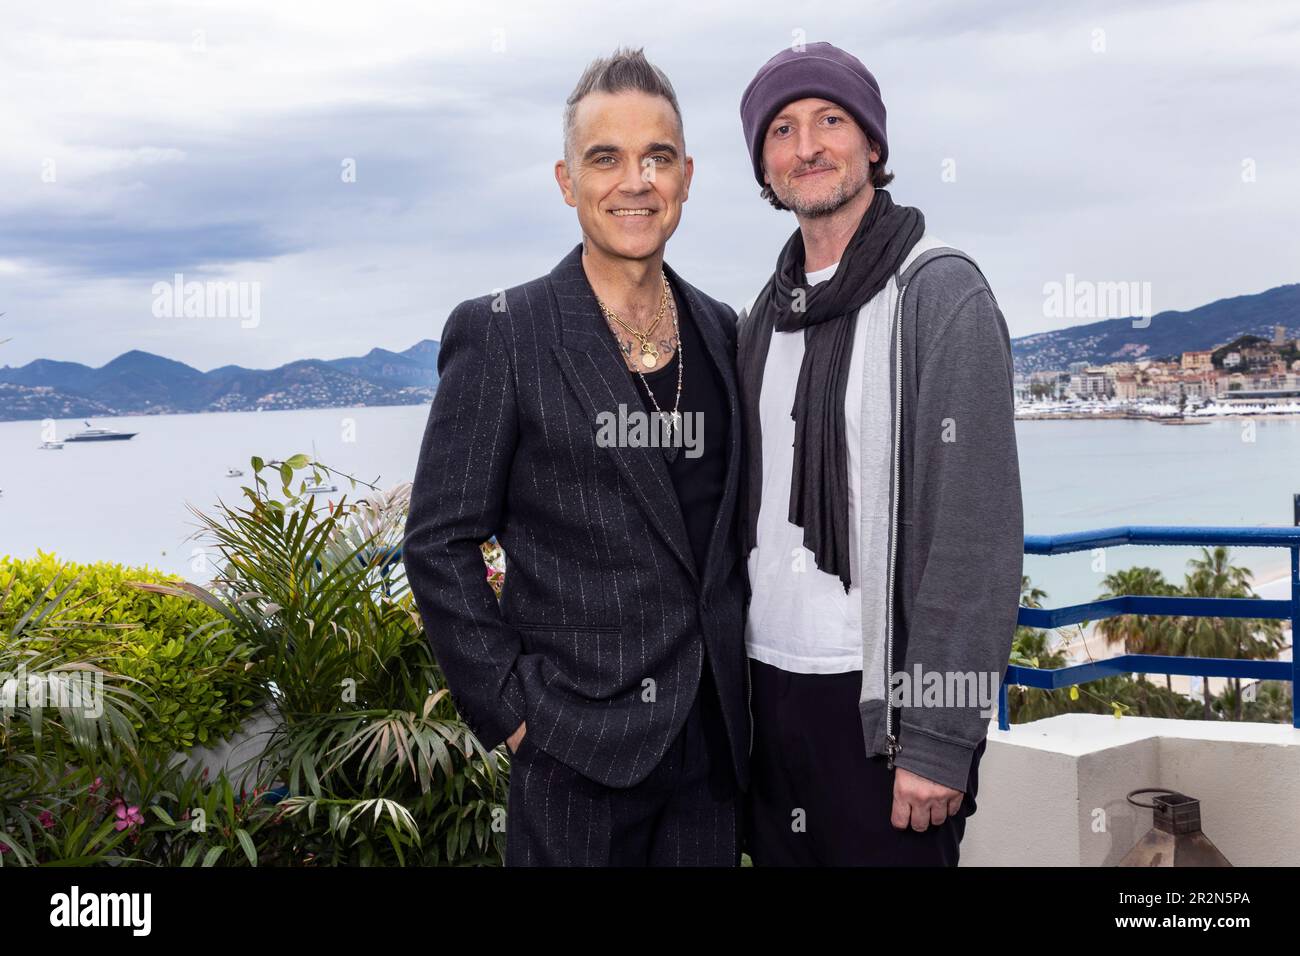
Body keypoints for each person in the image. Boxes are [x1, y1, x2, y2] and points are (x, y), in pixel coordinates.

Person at [402, 47, 749, 866]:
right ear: (567, 180)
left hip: (713, 756)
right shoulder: (504, 334)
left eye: (657, 158)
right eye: (607, 158)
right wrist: (514, 711)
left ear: (687, 177)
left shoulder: (723, 331)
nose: (636, 181)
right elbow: (438, 541)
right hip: (576, 756)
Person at [735, 41, 1023, 865]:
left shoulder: (938, 293)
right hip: (768, 693)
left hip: (880, 712)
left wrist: (939, 739)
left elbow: (977, 535)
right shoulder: (766, 315)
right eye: (782, 130)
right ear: (764, 165)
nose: (808, 145)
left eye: (831, 119)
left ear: (873, 144)